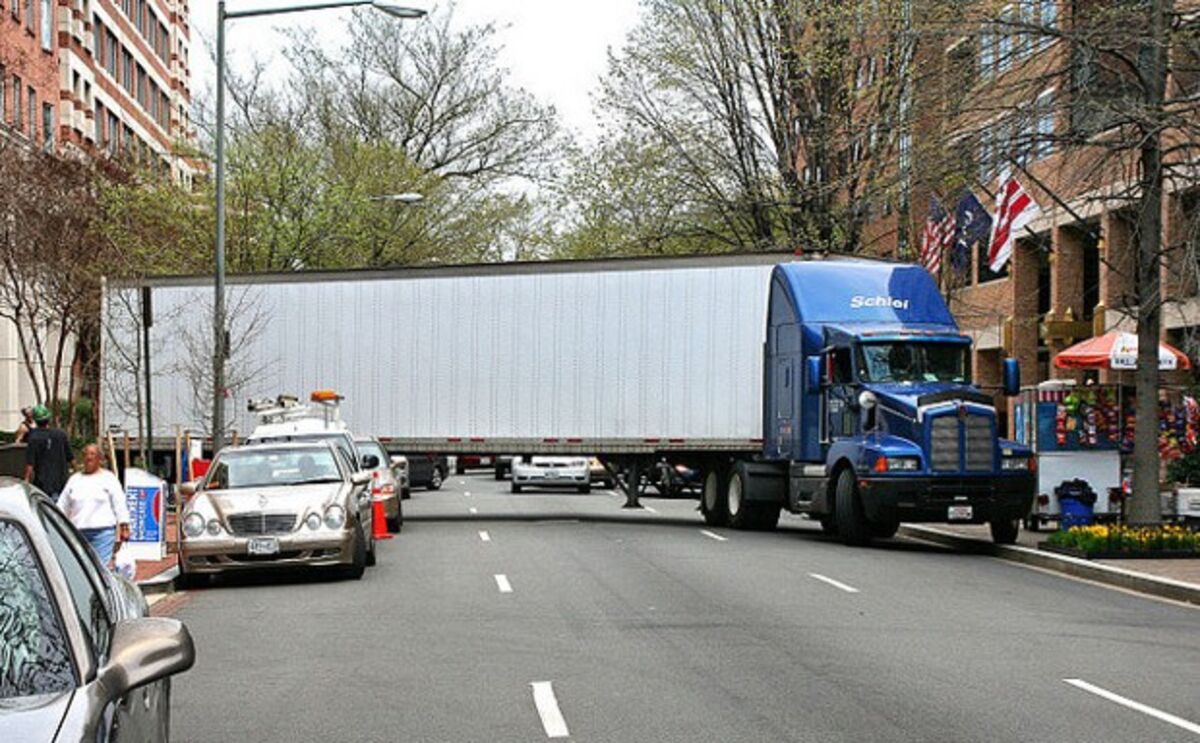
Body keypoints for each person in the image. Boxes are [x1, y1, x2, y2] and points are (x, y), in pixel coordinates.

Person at [57, 444, 130, 567]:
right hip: (78, 532)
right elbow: (62, 505)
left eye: (92, 454)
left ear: (99, 459)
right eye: (86, 454)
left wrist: (124, 526)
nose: (89, 458)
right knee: (81, 567)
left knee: (100, 568)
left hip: (102, 533)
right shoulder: (74, 480)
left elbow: (119, 503)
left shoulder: (109, 478)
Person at [23, 405, 73, 501]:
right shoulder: (61, 434)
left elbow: (30, 464)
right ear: (48, 419)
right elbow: (71, 458)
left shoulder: (33, 438)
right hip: (61, 484)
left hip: (43, 486)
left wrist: (26, 482)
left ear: (35, 420)